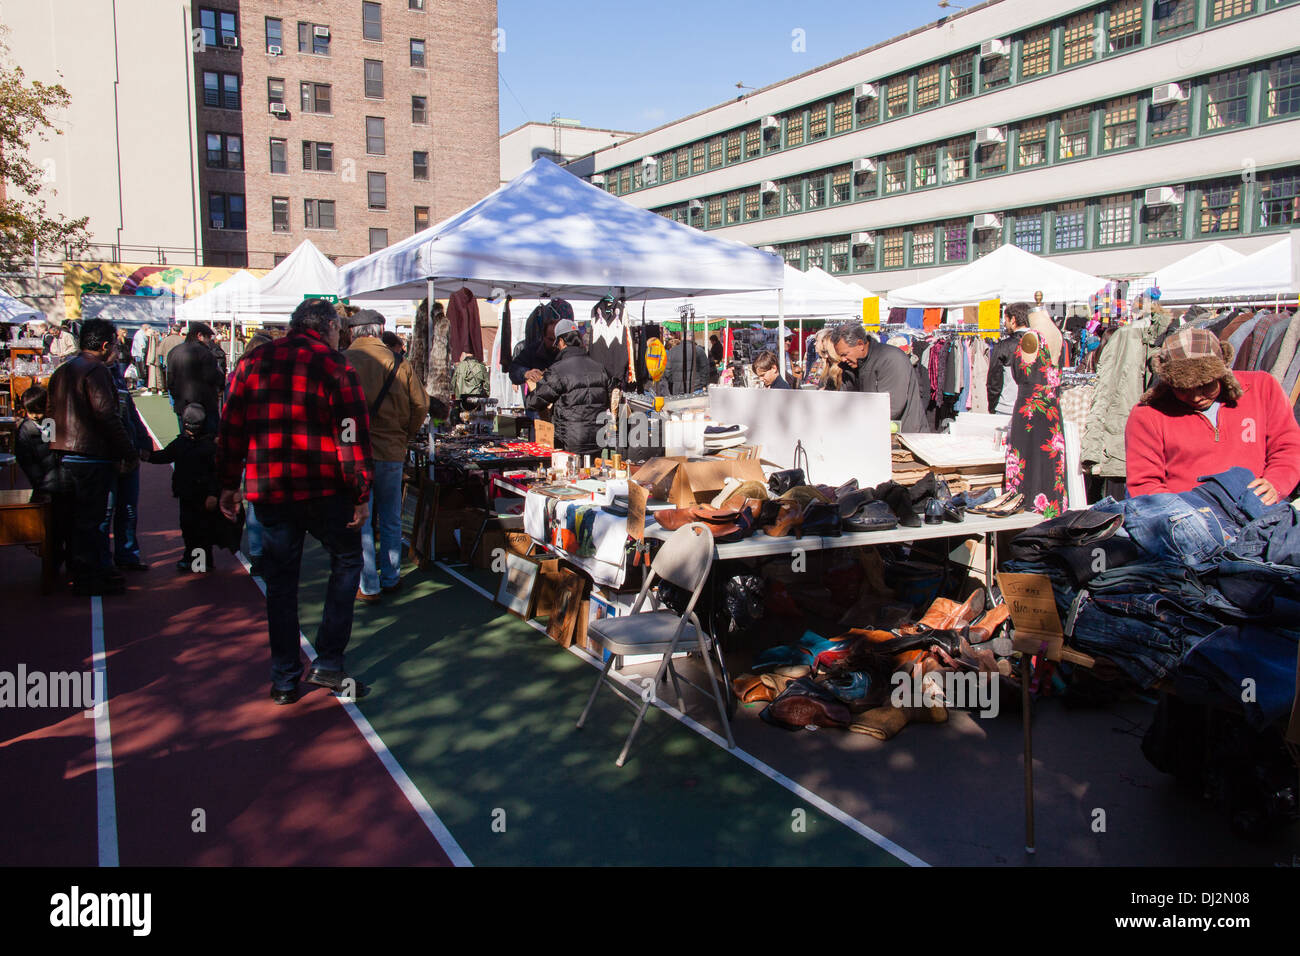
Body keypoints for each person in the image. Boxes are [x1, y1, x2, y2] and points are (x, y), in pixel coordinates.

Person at [217, 298, 373, 705]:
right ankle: (328, 661)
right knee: (346, 562)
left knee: (282, 583)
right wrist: (360, 494)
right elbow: (351, 437)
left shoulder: (252, 363)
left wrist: (228, 481)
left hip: (272, 489)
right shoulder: (335, 365)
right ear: (327, 328)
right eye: (339, 329)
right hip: (324, 490)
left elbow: (230, 425)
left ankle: (286, 677)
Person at [1125, 327, 1300, 503]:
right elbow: (1145, 483)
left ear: (1221, 372)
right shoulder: (1148, 414)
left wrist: (1275, 484)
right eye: (1183, 389)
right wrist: (1184, 519)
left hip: (1258, 509)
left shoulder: (1262, 388)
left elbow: (1289, 447)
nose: (1196, 397)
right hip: (1189, 519)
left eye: (1205, 385)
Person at [47, 317, 140, 595]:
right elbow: (106, 415)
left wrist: (51, 448)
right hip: (91, 455)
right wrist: (127, 451)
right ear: (104, 345)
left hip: (65, 453)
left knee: (74, 519)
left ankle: (81, 571)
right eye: (113, 344)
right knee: (92, 519)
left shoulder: (62, 371)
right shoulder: (96, 371)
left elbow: (50, 414)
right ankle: (91, 576)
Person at [344, 309, 428, 605]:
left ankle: (369, 584)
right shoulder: (398, 362)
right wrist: (404, 435)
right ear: (379, 330)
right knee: (391, 516)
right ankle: (390, 576)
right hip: (391, 449)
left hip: (353, 452)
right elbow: (421, 404)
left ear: (352, 331)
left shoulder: (343, 360)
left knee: (361, 518)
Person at [1002, 302, 1067, 518]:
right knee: (1049, 459)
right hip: (1051, 407)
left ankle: (1028, 502)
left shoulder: (1032, 337)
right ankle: (1051, 505)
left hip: (1030, 409)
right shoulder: (1057, 335)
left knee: (1028, 458)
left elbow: (1024, 374)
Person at [148, 404, 222, 573]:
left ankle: (200, 561)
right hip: (188, 494)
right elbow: (164, 456)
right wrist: (146, 455)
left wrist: (213, 493)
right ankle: (194, 557)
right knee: (190, 527)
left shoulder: (206, 446)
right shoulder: (187, 443)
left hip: (199, 494)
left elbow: (216, 473)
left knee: (199, 529)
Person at [525, 319, 614, 456]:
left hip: (570, 441)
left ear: (561, 341)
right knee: (593, 475)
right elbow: (607, 401)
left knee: (570, 476)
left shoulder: (558, 370)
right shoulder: (599, 368)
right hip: (598, 439)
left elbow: (533, 402)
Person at [828, 323, 930, 432]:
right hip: (873, 433)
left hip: (904, 435)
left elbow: (891, 408)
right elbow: (846, 404)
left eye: (845, 354)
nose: (843, 359)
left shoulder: (891, 359)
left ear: (860, 344)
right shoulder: (850, 367)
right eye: (840, 355)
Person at [15, 385, 72, 577]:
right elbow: (26, 460)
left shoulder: (50, 423)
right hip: (45, 486)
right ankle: (53, 566)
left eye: (37, 411)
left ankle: (70, 564)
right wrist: (40, 483)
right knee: (50, 531)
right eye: (30, 412)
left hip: (61, 482)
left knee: (68, 527)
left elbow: (55, 453)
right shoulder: (25, 430)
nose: (34, 416)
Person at [103, 358, 153, 571]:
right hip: (106, 456)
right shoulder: (85, 377)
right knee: (106, 511)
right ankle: (102, 560)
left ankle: (128, 555)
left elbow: (132, 415)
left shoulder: (118, 380)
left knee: (128, 508)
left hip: (128, 453)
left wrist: (143, 441)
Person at [167, 322, 224, 434]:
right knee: (208, 441)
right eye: (208, 337)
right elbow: (213, 376)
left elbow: (170, 380)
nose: (209, 341)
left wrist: (176, 397)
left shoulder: (174, 352)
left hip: (182, 404)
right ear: (199, 335)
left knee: (185, 440)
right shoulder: (205, 353)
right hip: (204, 405)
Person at [987, 305, 1029, 415]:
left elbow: (994, 381)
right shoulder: (1041, 343)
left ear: (1013, 320)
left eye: (1005, 320)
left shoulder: (1002, 346)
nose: (1004, 324)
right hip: (1031, 408)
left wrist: (992, 406)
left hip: (1006, 408)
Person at [509, 316, 560, 388]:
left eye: (558, 340)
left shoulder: (569, 352)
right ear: (544, 337)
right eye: (551, 339)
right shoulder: (533, 350)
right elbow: (514, 369)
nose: (554, 343)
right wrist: (526, 373)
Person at [663, 332, 715, 396]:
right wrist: (702, 384)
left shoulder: (672, 351)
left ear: (682, 338)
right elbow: (705, 370)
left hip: (678, 389)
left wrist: (675, 381)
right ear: (692, 338)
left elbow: (667, 372)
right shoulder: (698, 350)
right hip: (695, 388)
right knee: (695, 406)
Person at [159, 324, 185, 392]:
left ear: (172, 330)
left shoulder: (165, 340)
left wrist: (162, 363)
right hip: (180, 363)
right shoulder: (182, 340)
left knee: (170, 383)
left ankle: (172, 400)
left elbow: (160, 352)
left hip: (169, 363)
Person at [131, 323, 152, 388]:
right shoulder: (141, 335)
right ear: (146, 329)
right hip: (140, 355)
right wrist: (142, 357)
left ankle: (141, 385)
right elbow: (142, 347)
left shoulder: (139, 334)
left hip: (138, 354)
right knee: (141, 370)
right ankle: (140, 385)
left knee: (141, 370)